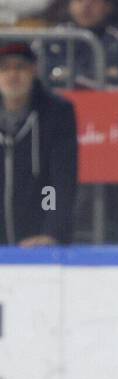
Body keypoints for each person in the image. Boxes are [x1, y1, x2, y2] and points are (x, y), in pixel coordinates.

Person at [0, 40, 78, 246]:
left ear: (33, 70)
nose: (12, 75)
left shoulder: (56, 113)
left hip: (36, 239)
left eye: (20, 67)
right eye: (4, 68)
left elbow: (57, 181)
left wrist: (51, 230)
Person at [45, 0, 118, 89]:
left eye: (94, 1)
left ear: (108, 6)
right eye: (79, 0)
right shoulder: (50, 40)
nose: (86, 5)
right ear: (69, 5)